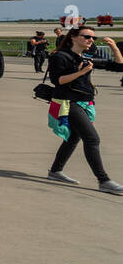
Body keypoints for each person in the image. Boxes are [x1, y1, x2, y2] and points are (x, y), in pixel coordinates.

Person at [45, 26, 123, 193]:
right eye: (87, 36)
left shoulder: (87, 56)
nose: (91, 40)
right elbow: (58, 80)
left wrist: (114, 47)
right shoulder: (60, 56)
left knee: (74, 137)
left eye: (93, 38)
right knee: (92, 138)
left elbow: (118, 65)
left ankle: (55, 171)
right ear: (73, 37)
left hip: (85, 103)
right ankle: (103, 180)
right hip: (67, 102)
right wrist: (82, 72)